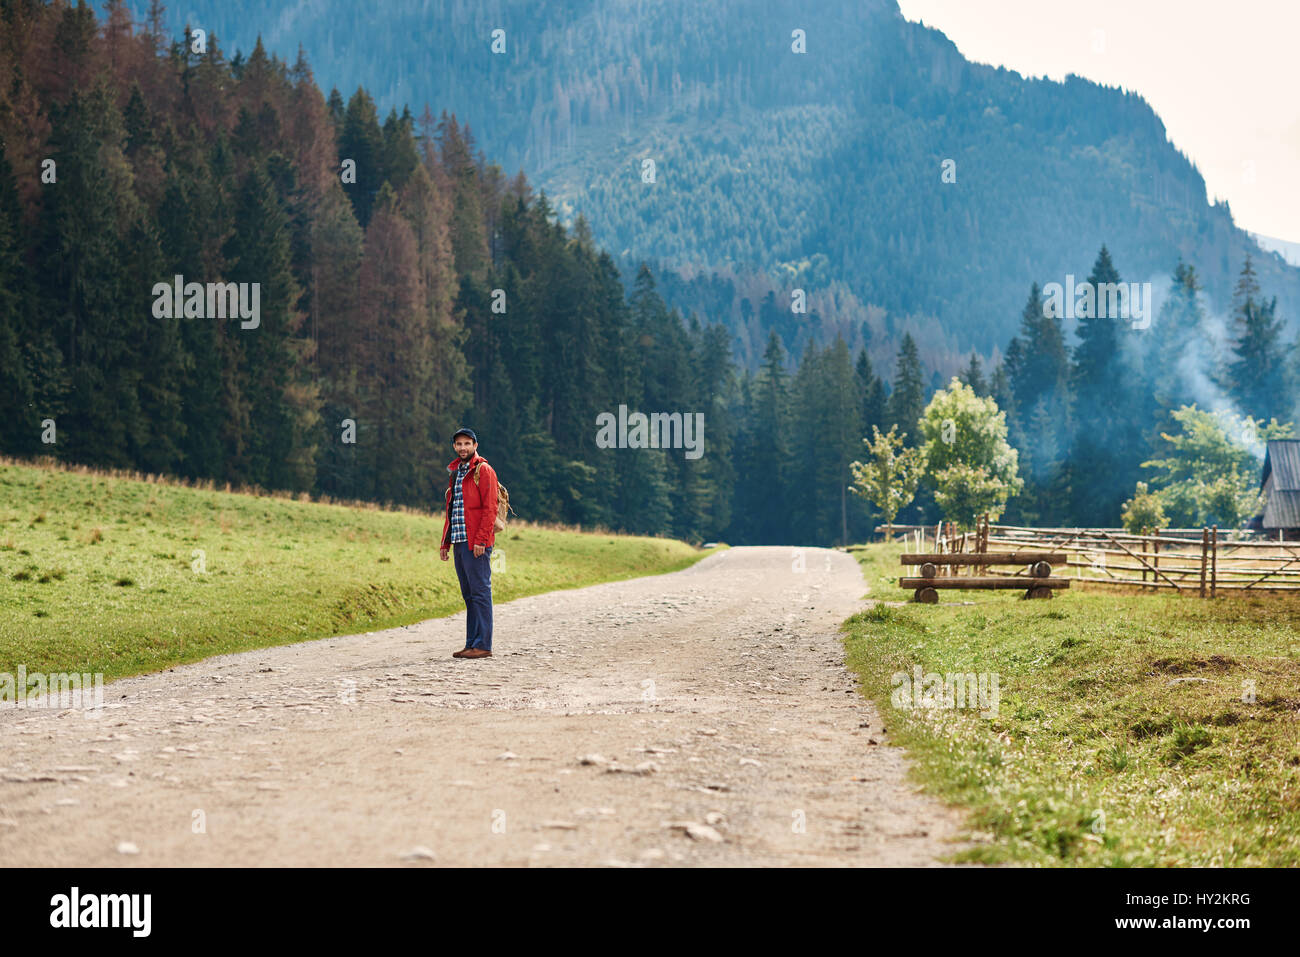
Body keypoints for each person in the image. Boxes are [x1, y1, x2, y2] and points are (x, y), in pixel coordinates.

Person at [439, 428, 499, 659]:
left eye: (467, 443)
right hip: (459, 540)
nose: (462, 448)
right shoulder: (456, 472)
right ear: (454, 447)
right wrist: (445, 542)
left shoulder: (483, 470)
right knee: (469, 594)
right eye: (458, 444)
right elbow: (451, 510)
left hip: (476, 542)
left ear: (475, 445)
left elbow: (490, 508)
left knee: (481, 592)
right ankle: (471, 643)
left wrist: (482, 540)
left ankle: (483, 644)